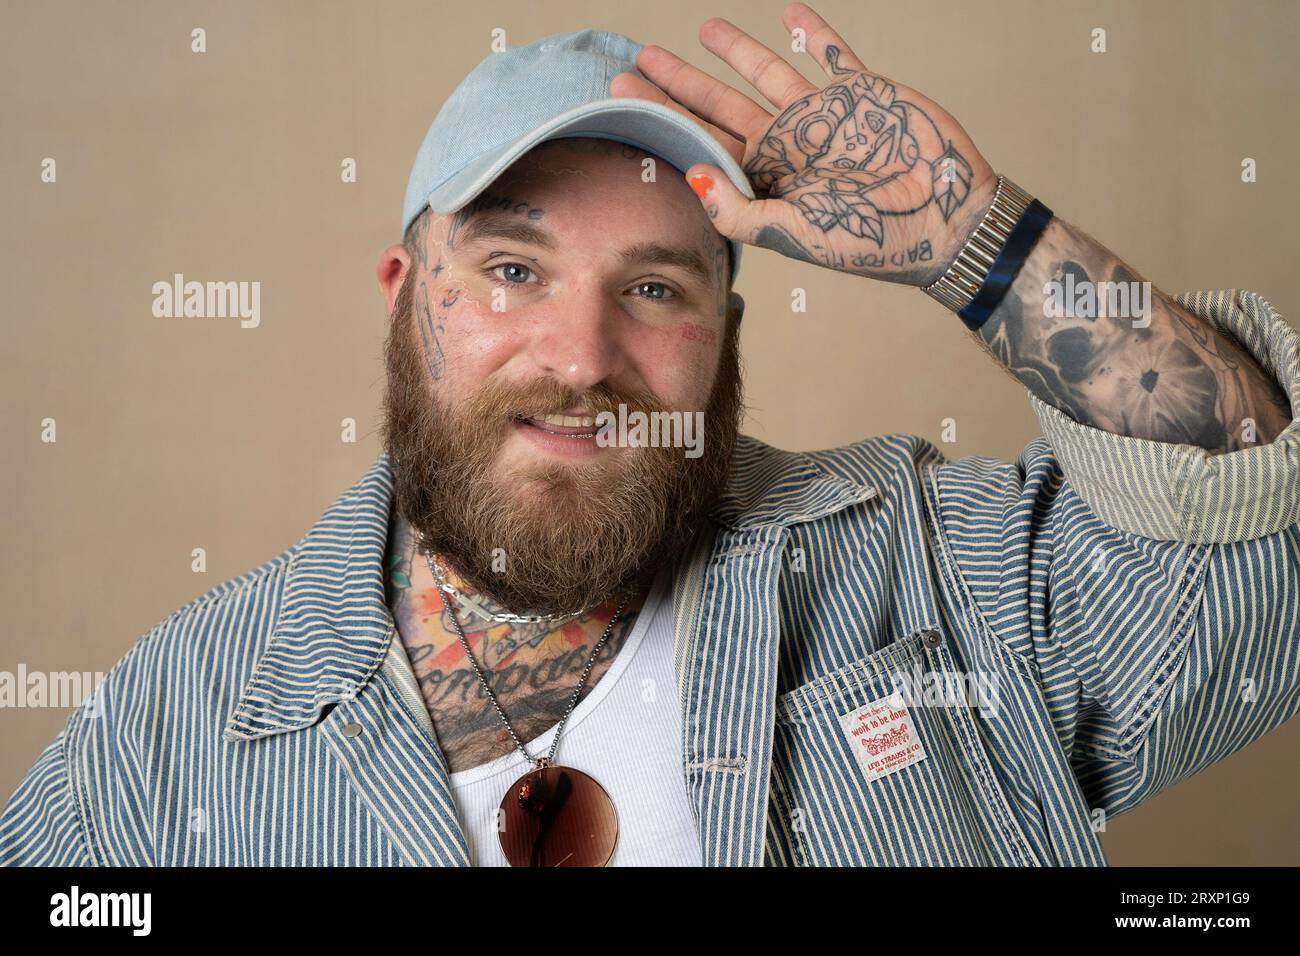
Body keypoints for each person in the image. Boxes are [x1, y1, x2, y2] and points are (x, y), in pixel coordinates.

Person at [3, 3, 1297, 867]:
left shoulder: (923, 576)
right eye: (513, 269)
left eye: (657, 286)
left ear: (725, 328)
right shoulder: (174, 729)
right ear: (408, 299)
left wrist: (982, 247)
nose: (580, 356)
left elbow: (1241, 571)